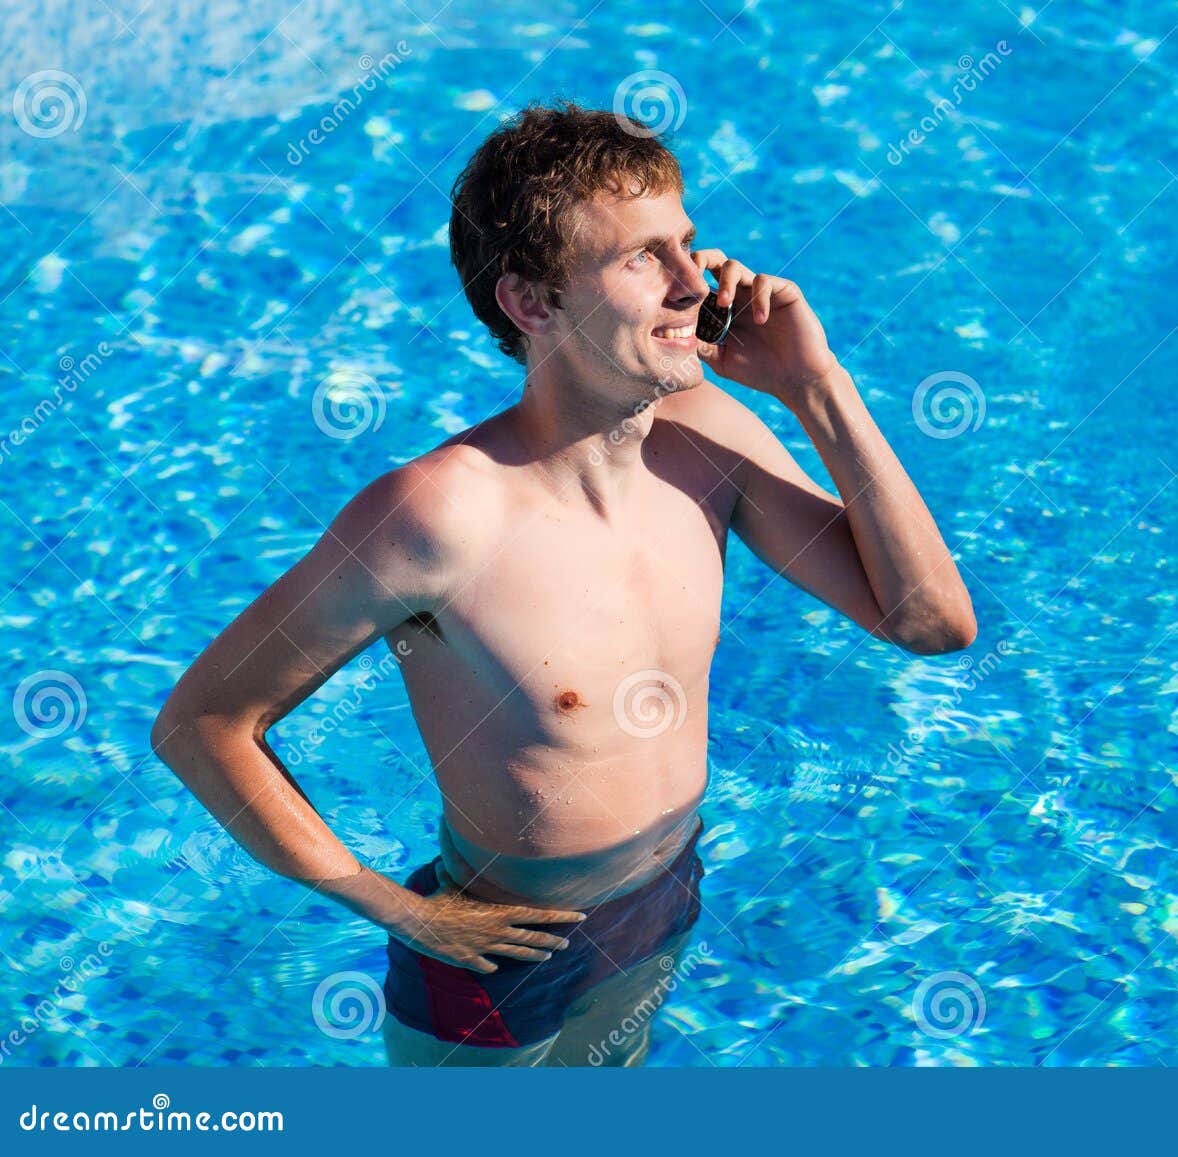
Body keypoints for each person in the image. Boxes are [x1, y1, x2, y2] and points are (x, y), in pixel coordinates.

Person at [149, 98, 977, 1067]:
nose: (693, 285)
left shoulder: (708, 443)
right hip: (501, 944)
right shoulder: (441, 515)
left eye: (688, 244)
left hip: (664, 892)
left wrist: (815, 384)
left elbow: (930, 624)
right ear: (531, 303)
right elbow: (203, 723)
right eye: (640, 258)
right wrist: (393, 904)